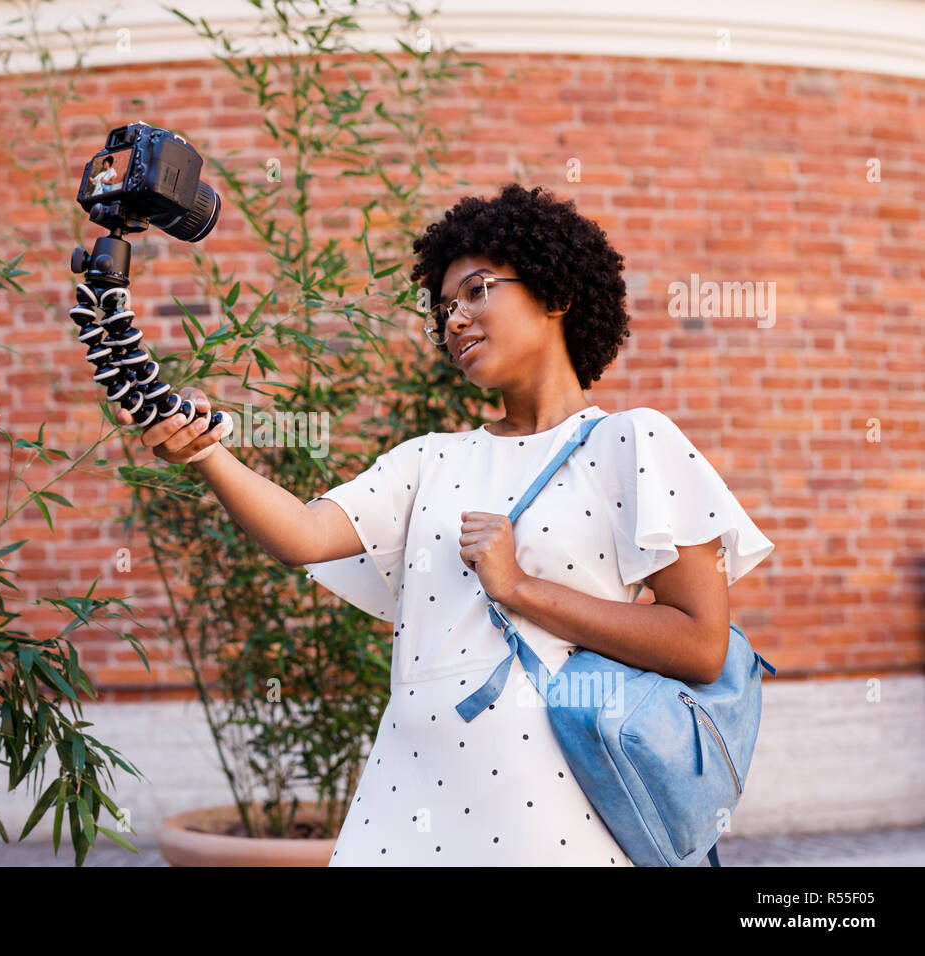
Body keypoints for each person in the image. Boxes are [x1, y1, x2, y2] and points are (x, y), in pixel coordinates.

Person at [113, 182, 775, 865]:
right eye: (444, 307)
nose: (454, 318)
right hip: (400, 809)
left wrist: (520, 588)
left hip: (552, 822)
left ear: (556, 293)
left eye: (478, 290)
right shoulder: (429, 460)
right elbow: (302, 536)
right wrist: (207, 453)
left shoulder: (634, 444)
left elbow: (701, 644)